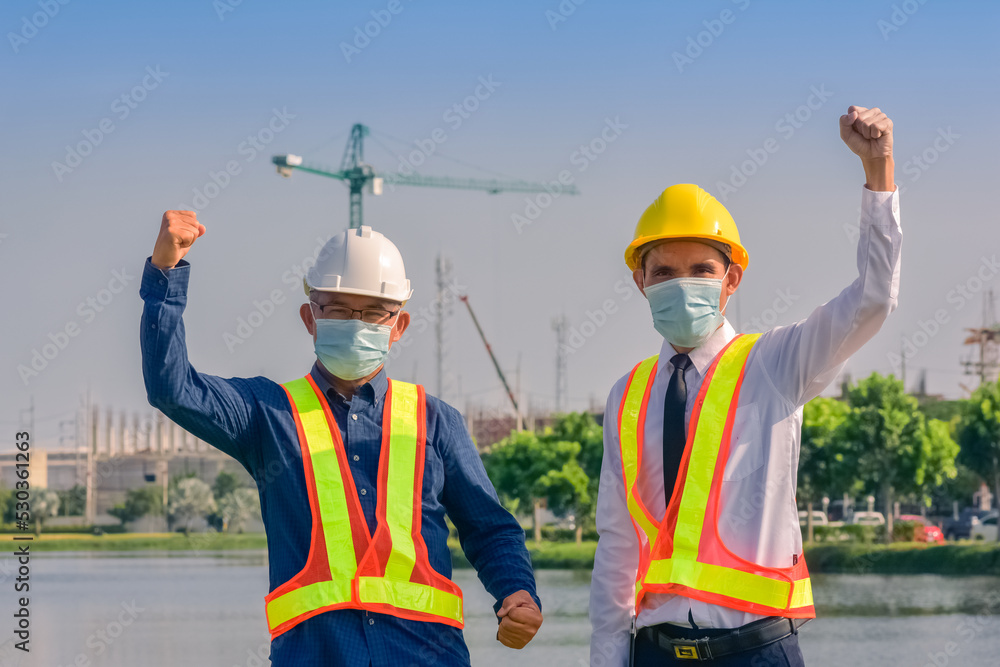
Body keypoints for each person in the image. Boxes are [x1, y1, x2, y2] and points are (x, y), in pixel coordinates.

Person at [139, 222, 543, 666]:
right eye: (338, 309)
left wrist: (517, 592)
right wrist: (165, 274)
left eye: (374, 313)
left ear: (399, 326)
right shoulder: (268, 414)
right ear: (309, 318)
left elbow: (490, 528)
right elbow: (173, 389)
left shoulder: (436, 422)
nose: (356, 324)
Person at [589, 105, 899, 666]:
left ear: (731, 279)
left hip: (756, 650)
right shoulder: (627, 395)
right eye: (664, 272)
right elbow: (616, 543)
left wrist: (878, 171)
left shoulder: (775, 363)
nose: (682, 284)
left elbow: (873, 299)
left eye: (702, 270)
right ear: (640, 281)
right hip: (655, 652)